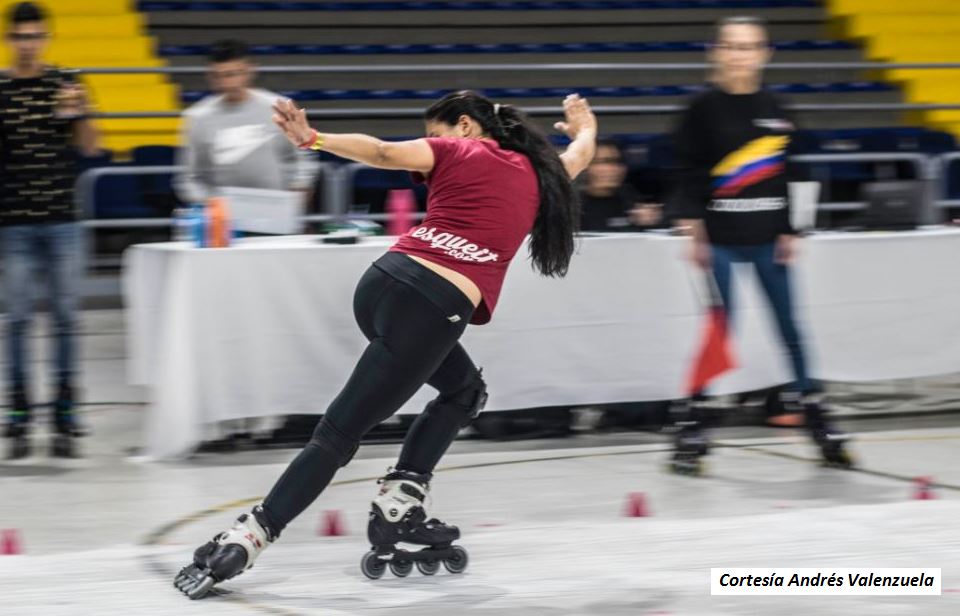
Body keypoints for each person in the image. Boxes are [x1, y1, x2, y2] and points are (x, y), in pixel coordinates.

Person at [174, 91, 597, 598]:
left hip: (382, 285)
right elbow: (579, 156)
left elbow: (381, 152)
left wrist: (315, 140)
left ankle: (401, 503)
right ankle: (249, 536)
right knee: (338, 435)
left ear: (464, 126)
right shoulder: (541, 175)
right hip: (431, 305)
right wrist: (584, 126)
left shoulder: (458, 151)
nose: (433, 142)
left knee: (464, 392)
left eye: (436, 131)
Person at [668, 16, 852, 473]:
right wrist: (692, 224)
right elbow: (688, 172)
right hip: (723, 239)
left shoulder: (777, 106)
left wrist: (791, 227)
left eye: (749, 47)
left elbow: (786, 171)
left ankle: (816, 415)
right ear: (716, 51)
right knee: (720, 331)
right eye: (731, 46)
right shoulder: (701, 109)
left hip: (769, 239)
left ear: (765, 53)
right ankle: (695, 422)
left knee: (791, 329)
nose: (739, 55)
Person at [0, 2, 100, 460]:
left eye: (35, 36)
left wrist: (80, 112)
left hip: (62, 216)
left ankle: (64, 406)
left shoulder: (66, 83)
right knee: (18, 318)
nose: (28, 45)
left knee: (64, 317)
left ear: (45, 38)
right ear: (9, 40)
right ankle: (19, 406)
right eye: (20, 37)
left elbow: (91, 146)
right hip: (14, 219)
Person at [174, 39, 314, 209]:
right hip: (223, 218)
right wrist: (209, 203)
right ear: (210, 76)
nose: (228, 83)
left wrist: (299, 188)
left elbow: (303, 155)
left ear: (249, 70)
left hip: (275, 210)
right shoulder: (197, 118)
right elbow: (188, 177)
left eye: (233, 74)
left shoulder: (279, 108)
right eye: (219, 76)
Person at [580, 138, 663, 232]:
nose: (610, 169)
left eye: (617, 162)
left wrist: (649, 223)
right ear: (584, 168)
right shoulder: (572, 207)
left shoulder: (633, 202)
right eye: (600, 162)